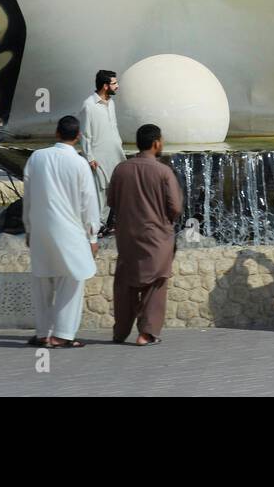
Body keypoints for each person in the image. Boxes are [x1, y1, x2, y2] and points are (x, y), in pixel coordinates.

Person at [22, 115, 100, 348]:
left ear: (57, 133)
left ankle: (43, 333)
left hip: (40, 229)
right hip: (70, 231)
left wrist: (28, 228)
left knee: (42, 281)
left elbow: (28, 196)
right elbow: (89, 202)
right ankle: (63, 335)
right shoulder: (79, 163)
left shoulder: (37, 158)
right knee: (72, 280)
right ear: (78, 136)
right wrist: (93, 235)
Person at [108, 123, 182, 346]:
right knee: (155, 284)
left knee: (126, 283)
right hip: (156, 236)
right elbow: (176, 208)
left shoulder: (121, 169)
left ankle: (120, 332)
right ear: (156, 143)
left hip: (127, 235)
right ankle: (146, 333)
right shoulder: (163, 172)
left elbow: (111, 201)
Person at [81, 69, 126, 222]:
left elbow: (114, 127)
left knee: (117, 190)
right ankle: (98, 228)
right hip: (98, 159)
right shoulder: (88, 106)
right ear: (105, 86)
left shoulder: (111, 103)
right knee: (101, 193)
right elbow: (85, 134)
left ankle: (110, 224)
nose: (117, 86)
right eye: (114, 83)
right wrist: (89, 157)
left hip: (116, 155)